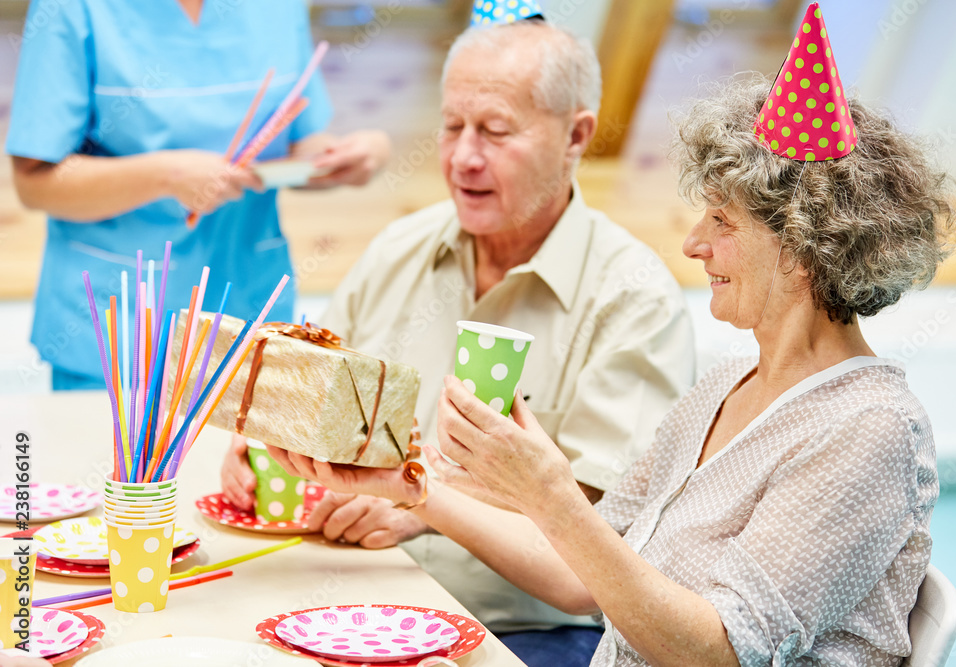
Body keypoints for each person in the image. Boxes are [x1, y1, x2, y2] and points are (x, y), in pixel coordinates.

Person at [266, 70, 956, 666]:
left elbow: (716, 652)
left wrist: (551, 495)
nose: (692, 244)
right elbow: (584, 578)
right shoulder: (727, 385)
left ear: (804, 246)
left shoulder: (868, 431)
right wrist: (410, 486)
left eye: (721, 221)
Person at [222, 20, 695, 667]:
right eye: (451, 126)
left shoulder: (634, 298)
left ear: (576, 136)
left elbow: (599, 550)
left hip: (531, 634)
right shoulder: (399, 249)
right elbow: (313, 400)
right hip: (357, 603)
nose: (464, 157)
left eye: (496, 131)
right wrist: (258, 442)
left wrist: (424, 503)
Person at [5, 0, 391, 391]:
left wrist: (342, 159)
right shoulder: (73, 8)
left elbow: (298, 144)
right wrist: (165, 176)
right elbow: (35, 182)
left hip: (247, 309)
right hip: (119, 328)